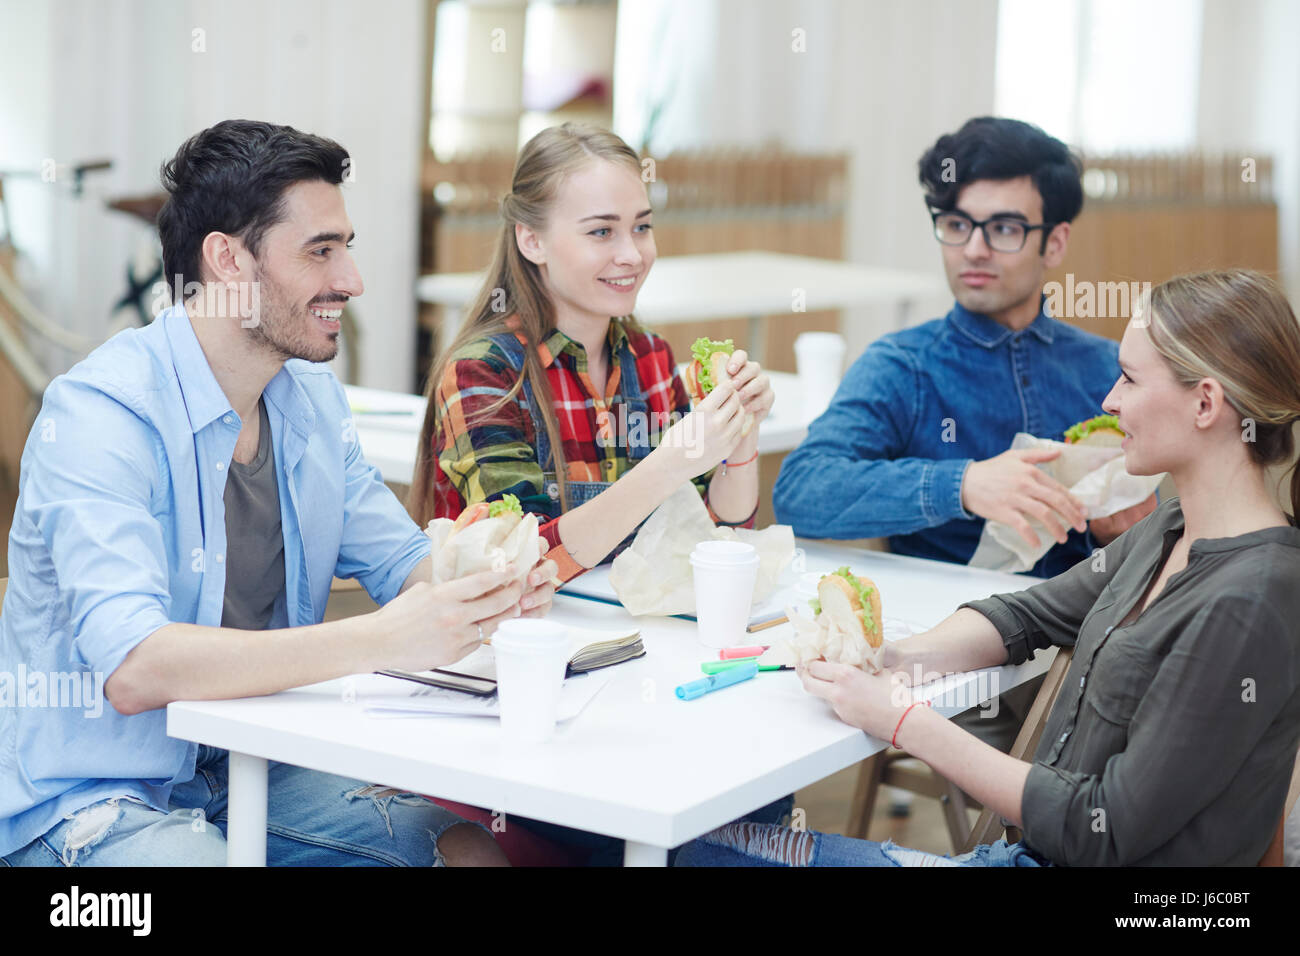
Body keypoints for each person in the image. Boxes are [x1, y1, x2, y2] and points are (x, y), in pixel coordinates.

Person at [0, 120, 558, 867]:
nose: (352, 280)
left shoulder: (311, 404)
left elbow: (407, 567)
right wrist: (383, 639)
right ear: (227, 259)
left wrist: (491, 578)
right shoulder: (102, 415)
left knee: (470, 856)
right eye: (320, 250)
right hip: (90, 803)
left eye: (347, 247)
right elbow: (135, 668)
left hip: (248, 765)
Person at [678, 269, 1300, 866]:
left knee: (706, 853)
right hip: (1018, 854)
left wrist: (900, 720)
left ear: (1206, 404)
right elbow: (1030, 613)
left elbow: (1098, 828)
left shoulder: (1250, 598)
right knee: (712, 846)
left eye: (1131, 381)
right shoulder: (1170, 530)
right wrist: (887, 661)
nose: (1111, 401)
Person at [408, 123, 787, 863]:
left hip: (623, 669)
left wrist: (738, 444)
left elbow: (706, 529)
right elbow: (528, 565)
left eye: (642, 227)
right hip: (509, 703)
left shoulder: (646, 353)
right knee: (729, 840)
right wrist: (673, 460)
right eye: (601, 231)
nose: (631, 253)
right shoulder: (484, 371)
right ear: (532, 240)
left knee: (755, 793)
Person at [774, 117, 1156, 578]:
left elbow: (1162, 533)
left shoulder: (1109, 367)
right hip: (940, 629)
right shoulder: (902, 366)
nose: (974, 249)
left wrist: (1120, 533)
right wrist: (963, 484)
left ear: (1054, 243)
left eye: (1004, 228)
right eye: (957, 224)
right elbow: (800, 491)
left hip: (1081, 626)